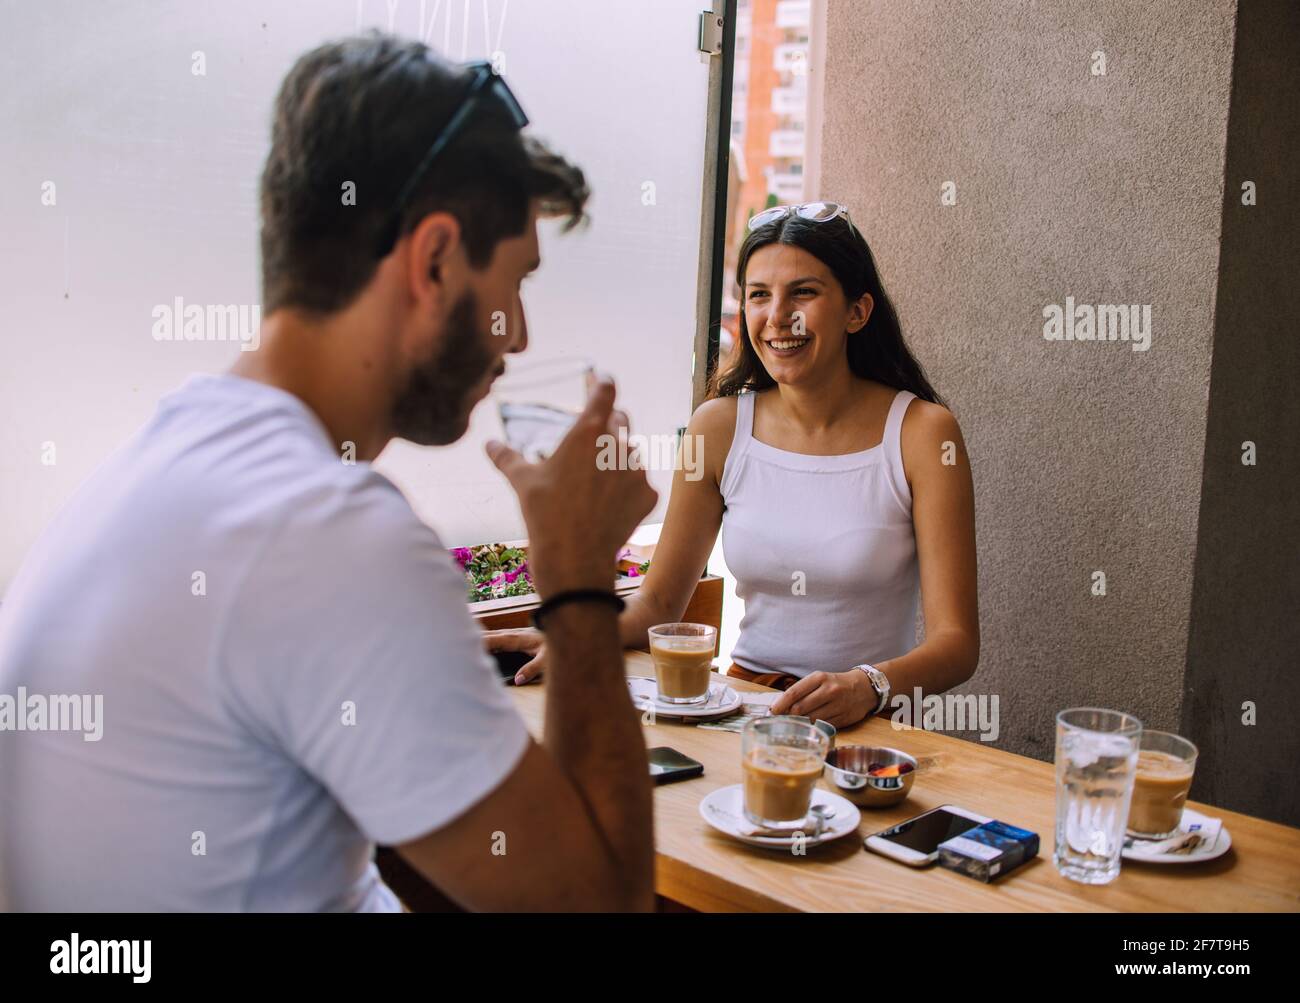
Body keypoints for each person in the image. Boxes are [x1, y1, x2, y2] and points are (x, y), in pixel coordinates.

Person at [0, 33, 658, 912]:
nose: (519, 335)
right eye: (516, 282)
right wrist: (576, 580)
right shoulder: (326, 531)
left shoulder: (178, 453)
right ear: (432, 260)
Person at [490, 202, 979, 728]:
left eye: (804, 292)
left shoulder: (923, 433)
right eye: (758, 295)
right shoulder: (719, 427)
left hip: (870, 729)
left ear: (857, 311)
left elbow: (957, 645)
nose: (777, 317)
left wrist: (868, 685)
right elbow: (658, 603)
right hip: (741, 711)